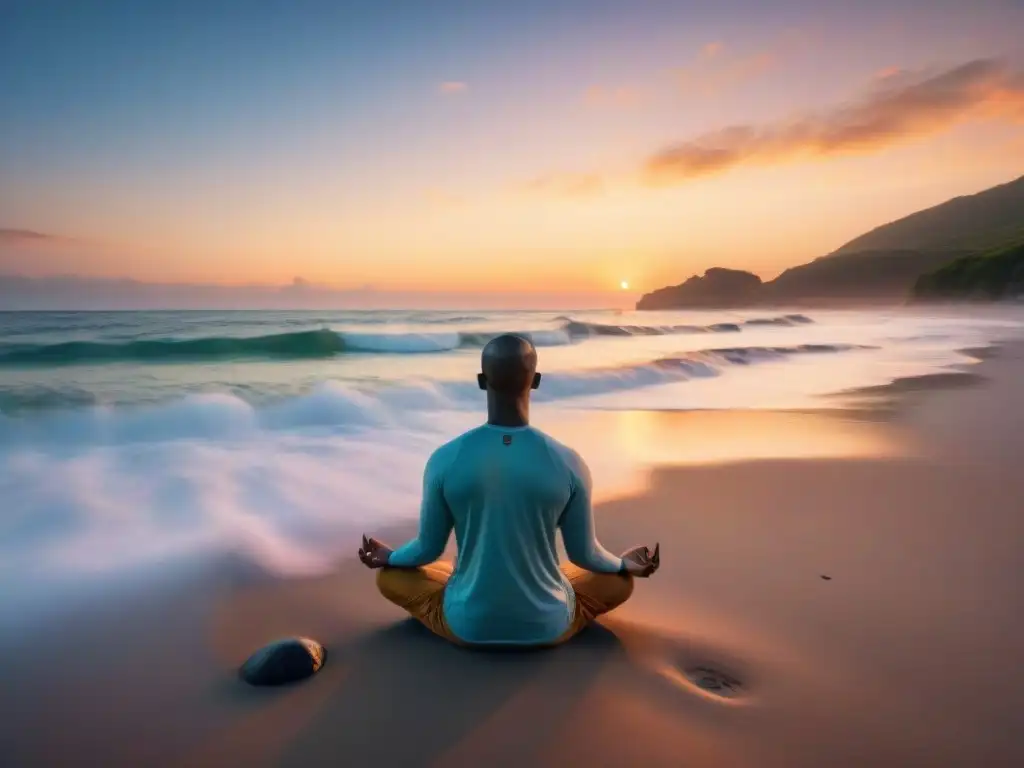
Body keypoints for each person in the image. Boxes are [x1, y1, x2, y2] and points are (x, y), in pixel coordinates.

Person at [358, 333, 660, 647]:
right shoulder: (568, 461)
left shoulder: (445, 458)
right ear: (536, 381)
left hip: (467, 627)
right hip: (549, 627)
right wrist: (624, 564)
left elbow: (426, 549)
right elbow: (585, 555)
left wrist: (390, 557)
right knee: (619, 582)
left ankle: (471, 587)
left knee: (391, 576)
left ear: (480, 381)